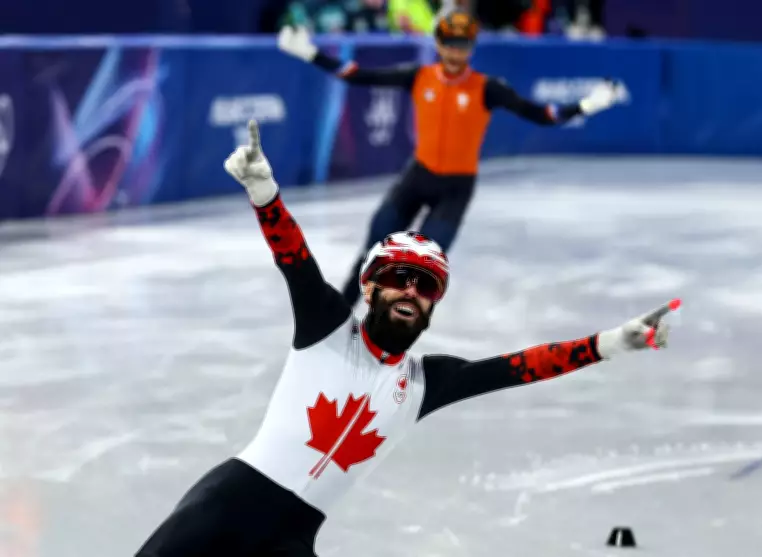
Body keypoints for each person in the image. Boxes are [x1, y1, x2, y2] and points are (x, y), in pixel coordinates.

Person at [135, 120, 679, 557]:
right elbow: (294, 259)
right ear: (370, 287)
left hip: (292, 539)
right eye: (399, 276)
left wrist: (611, 342)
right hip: (227, 503)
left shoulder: (425, 383)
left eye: (426, 285)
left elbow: (521, 366)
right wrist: (264, 193)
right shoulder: (328, 328)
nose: (412, 291)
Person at [277, 9, 627, 307]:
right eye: (450, 44)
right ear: (439, 44)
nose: (455, 53)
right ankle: (338, 316)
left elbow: (540, 114)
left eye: (463, 45)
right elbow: (357, 75)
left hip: (455, 189)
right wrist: (309, 53)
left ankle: (386, 338)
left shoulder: (487, 88)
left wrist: (587, 105)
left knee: (420, 268)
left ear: (471, 48)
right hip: (418, 176)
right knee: (374, 248)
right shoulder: (419, 76)